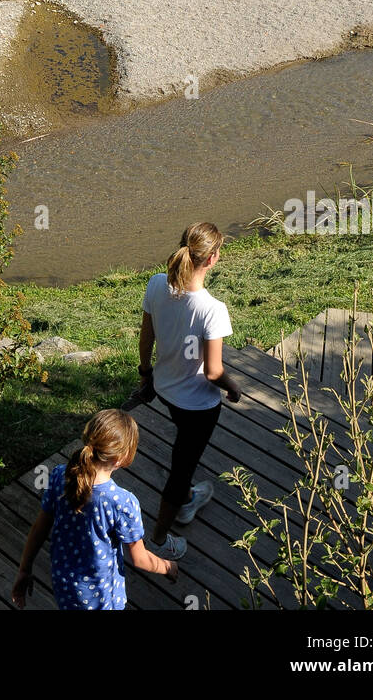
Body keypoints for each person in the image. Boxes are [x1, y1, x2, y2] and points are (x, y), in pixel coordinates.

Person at [138, 221, 241, 561]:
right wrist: (234, 388)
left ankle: (185, 499)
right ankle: (159, 539)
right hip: (198, 405)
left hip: (164, 389)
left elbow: (146, 337)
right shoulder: (212, 310)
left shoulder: (156, 284)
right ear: (212, 259)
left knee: (183, 451)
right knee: (181, 468)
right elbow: (213, 372)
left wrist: (145, 373)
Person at [11, 408, 178, 610]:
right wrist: (167, 566)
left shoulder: (59, 476)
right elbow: (140, 559)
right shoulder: (122, 503)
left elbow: (40, 527)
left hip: (64, 585)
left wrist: (24, 569)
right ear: (121, 458)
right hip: (101, 598)